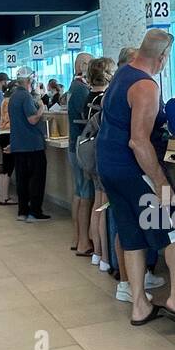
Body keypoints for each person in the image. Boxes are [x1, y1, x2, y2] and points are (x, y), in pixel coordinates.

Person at [97, 30, 175, 328]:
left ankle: (139, 305)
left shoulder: (122, 75)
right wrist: (161, 182)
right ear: (163, 57)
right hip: (132, 168)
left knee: (132, 234)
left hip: (108, 167)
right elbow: (138, 142)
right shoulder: (145, 86)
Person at [83, 56, 115, 272]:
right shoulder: (105, 98)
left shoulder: (87, 97)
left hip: (91, 155)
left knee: (97, 205)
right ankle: (105, 255)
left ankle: (97, 253)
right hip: (103, 155)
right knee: (104, 207)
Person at [8, 67, 50, 221]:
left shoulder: (13, 97)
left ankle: (23, 211)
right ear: (29, 81)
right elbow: (32, 119)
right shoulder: (25, 97)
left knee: (22, 179)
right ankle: (35, 211)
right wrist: (41, 108)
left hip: (18, 144)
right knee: (36, 179)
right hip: (33, 144)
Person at [67, 52, 95, 255]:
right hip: (81, 147)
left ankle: (78, 238)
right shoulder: (80, 89)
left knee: (79, 193)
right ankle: (84, 241)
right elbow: (88, 116)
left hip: (74, 145)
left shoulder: (74, 87)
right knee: (85, 195)